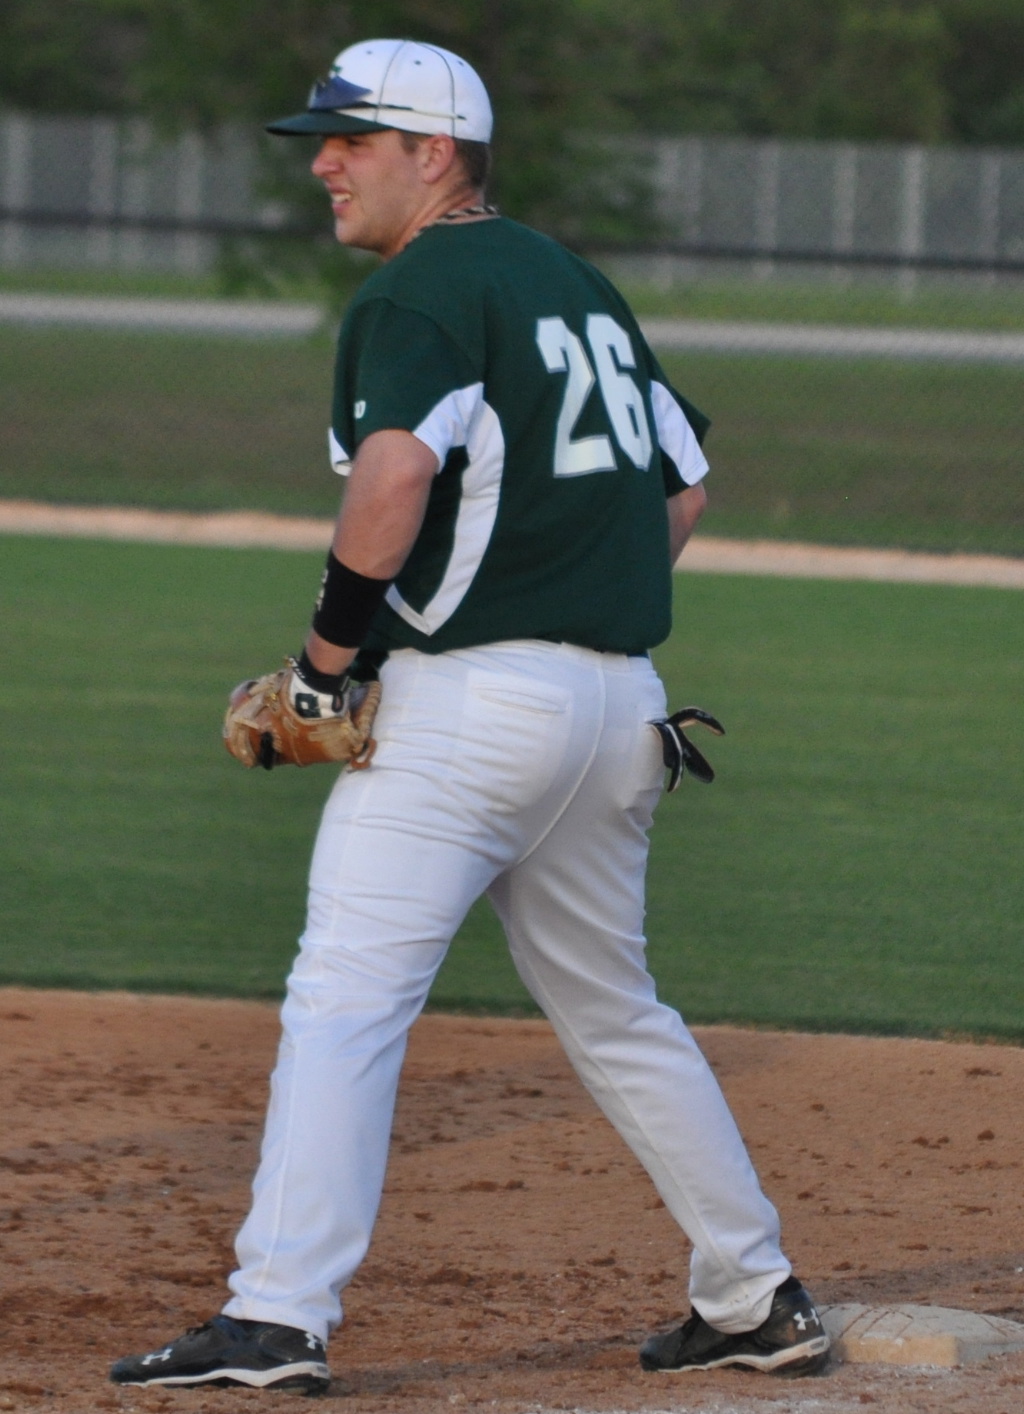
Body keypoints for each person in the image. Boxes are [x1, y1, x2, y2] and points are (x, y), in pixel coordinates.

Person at [110, 38, 830, 1396]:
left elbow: (392, 479)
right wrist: (572, 600)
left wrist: (328, 662)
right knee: (620, 1012)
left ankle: (276, 1315)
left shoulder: (423, 287)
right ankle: (752, 1292)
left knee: (345, 998)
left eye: (349, 140)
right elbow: (682, 492)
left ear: (432, 152)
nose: (321, 163)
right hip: (620, 708)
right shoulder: (578, 284)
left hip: (471, 711)